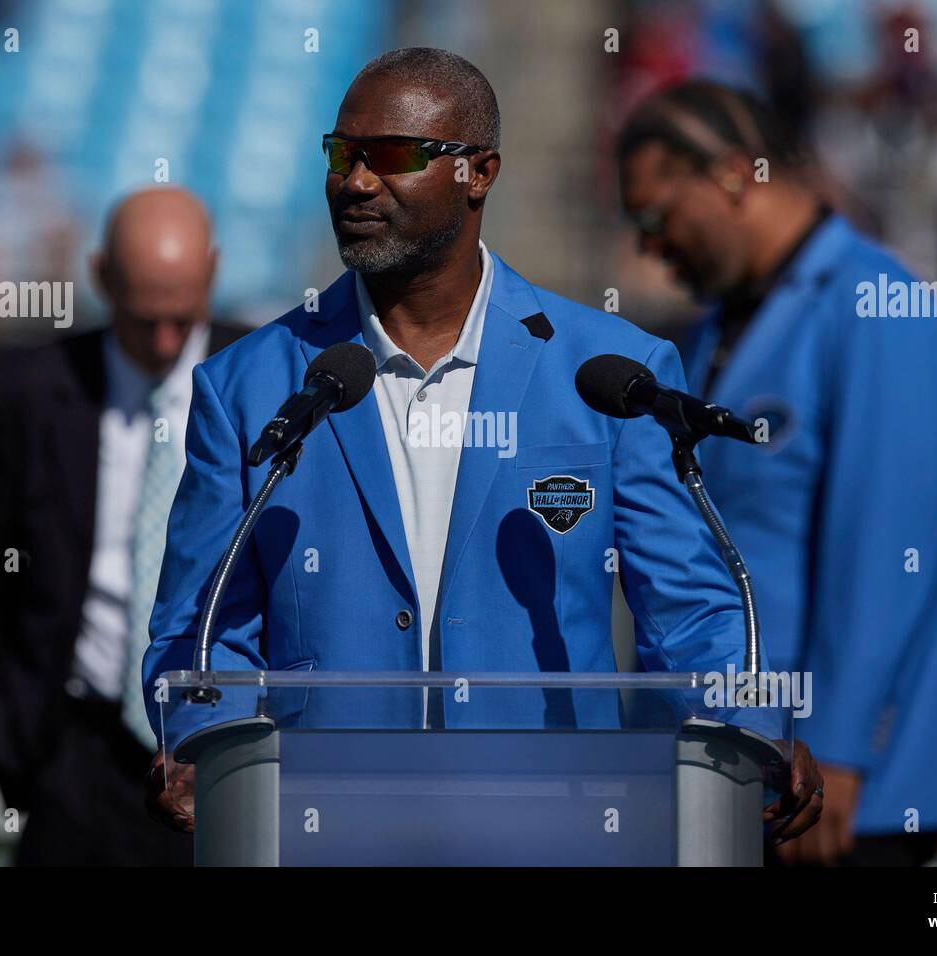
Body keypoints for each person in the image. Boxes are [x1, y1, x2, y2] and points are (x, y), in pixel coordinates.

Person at [143, 48, 824, 846]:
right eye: (342, 155)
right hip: (326, 827)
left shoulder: (613, 373)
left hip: (558, 823)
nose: (356, 183)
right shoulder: (247, 384)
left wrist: (750, 725)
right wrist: (204, 745)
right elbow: (201, 626)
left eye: (393, 156)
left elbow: (689, 608)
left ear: (479, 173)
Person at [616, 80, 937, 865]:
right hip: (753, 762)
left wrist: (839, 748)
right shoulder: (722, 324)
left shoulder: (881, 308)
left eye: (655, 218)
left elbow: (890, 554)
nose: (650, 248)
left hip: (845, 788)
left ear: (730, 174)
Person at [0, 187, 244, 865]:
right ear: (102, 277)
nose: (166, 341)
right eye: (145, 319)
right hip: (74, 761)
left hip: (226, 757)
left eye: (182, 317)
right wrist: (11, 748)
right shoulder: (32, 394)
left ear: (213, 273)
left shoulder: (267, 383)